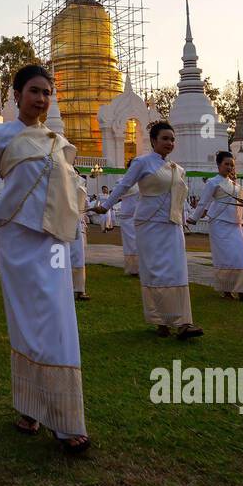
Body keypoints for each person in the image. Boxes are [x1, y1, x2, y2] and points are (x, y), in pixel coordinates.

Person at [0, 64, 90, 454]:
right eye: (35, 91)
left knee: (59, 317)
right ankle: (30, 408)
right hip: (16, 237)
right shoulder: (0, 134)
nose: (42, 99)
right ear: (16, 95)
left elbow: (69, 189)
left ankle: (60, 415)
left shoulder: (55, 140)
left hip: (54, 242)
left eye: (47, 92)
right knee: (27, 319)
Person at [96, 122, 201, 339]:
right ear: (153, 141)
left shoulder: (177, 169)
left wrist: (185, 221)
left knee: (177, 270)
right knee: (156, 271)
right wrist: (105, 206)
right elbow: (124, 186)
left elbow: (178, 199)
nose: (169, 143)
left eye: (172, 139)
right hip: (150, 226)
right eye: (165, 138)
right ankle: (160, 320)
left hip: (172, 226)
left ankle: (183, 322)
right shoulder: (142, 162)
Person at [189, 150, 243, 302]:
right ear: (218, 165)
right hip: (219, 223)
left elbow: (241, 205)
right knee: (225, 257)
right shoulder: (213, 182)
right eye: (226, 164)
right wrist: (194, 218)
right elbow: (203, 202)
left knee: (241, 256)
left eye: (232, 165)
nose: (229, 167)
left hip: (236, 225)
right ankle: (226, 289)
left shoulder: (235, 185)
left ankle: (242, 291)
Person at [70, 177, 90, 300]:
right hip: (60, 220)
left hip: (76, 220)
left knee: (77, 255)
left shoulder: (79, 180)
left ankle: (79, 288)